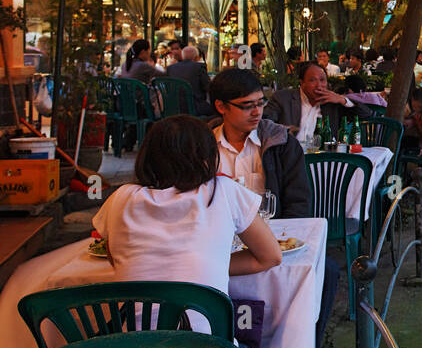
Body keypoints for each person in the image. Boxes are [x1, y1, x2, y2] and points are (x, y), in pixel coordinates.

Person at [92, 115, 283, 306]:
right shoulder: (222, 190)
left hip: (134, 334)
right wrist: (211, 263)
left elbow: (117, 259)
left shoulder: (121, 198)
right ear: (206, 157)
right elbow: (271, 257)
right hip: (205, 334)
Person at [209, 67, 310, 218]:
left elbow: (299, 204)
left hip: (272, 235)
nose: (257, 112)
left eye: (260, 103)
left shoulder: (282, 144)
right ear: (221, 106)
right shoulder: (202, 146)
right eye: (247, 105)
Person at [263, 61, 371, 143]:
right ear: (302, 83)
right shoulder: (283, 98)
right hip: (289, 157)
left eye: (322, 80)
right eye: (312, 80)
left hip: (322, 159)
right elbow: (265, 123)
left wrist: (342, 100)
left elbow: (366, 113)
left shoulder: (332, 103)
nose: (319, 85)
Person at [165, 45, 211, 115]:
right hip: (195, 108)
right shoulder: (199, 67)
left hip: (174, 108)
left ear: (183, 56)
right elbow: (208, 86)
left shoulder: (170, 68)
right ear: (196, 58)